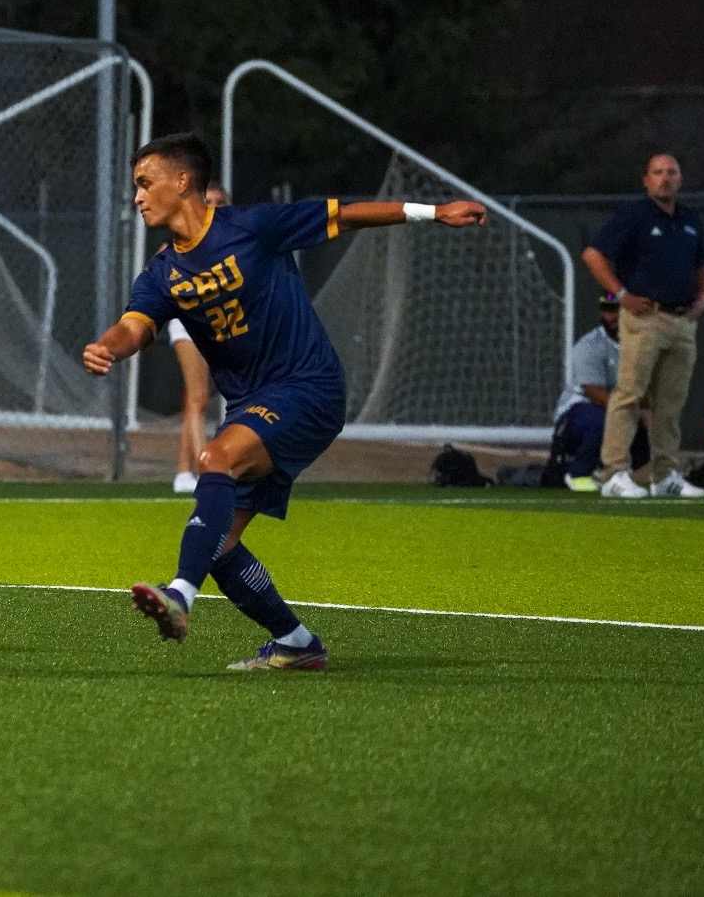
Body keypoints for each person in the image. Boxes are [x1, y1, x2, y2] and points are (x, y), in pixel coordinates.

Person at [83, 133, 485, 670]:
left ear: (182, 182)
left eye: (144, 182)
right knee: (220, 546)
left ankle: (180, 593)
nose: (137, 196)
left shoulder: (251, 227)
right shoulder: (162, 272)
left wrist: (432, 211)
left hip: (308, 386)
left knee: (215, 460)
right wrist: (108, 347)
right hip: (251, 407)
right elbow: (135, 327)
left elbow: (344, 215)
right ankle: (297, 643)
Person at [581, 152, 704, 499]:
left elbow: (701, 262)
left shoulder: (689, 218)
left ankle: (665, 473)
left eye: (672, 172)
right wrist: (622, 294)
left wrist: (703, 298)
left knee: (671, 403)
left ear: (680, 179)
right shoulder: (634, 216)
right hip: (645, 317)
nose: (665, 178)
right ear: (646, 180)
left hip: (682, 321)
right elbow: (593, 255)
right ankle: (613, 473)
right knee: (630, 395)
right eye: (658, 172)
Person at [552, 293, 650, 491]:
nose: (613, 316)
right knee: (608, 417)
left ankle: (619, 473)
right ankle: (579, 474)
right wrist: (636, 412)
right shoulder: (590, 345)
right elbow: (595, 394)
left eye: (618, 309)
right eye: (608, 310)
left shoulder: (643, 343)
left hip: (623, 410)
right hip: (577, 414)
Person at [169, 182, 230, 493]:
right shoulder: (185, 239)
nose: (214, 207)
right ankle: (207, 474)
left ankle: (183, 471)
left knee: (196, 399)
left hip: (220, 326)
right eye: (208, 202)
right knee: (198, 397)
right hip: (189, 324)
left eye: (220, 202)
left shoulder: (233, 243)